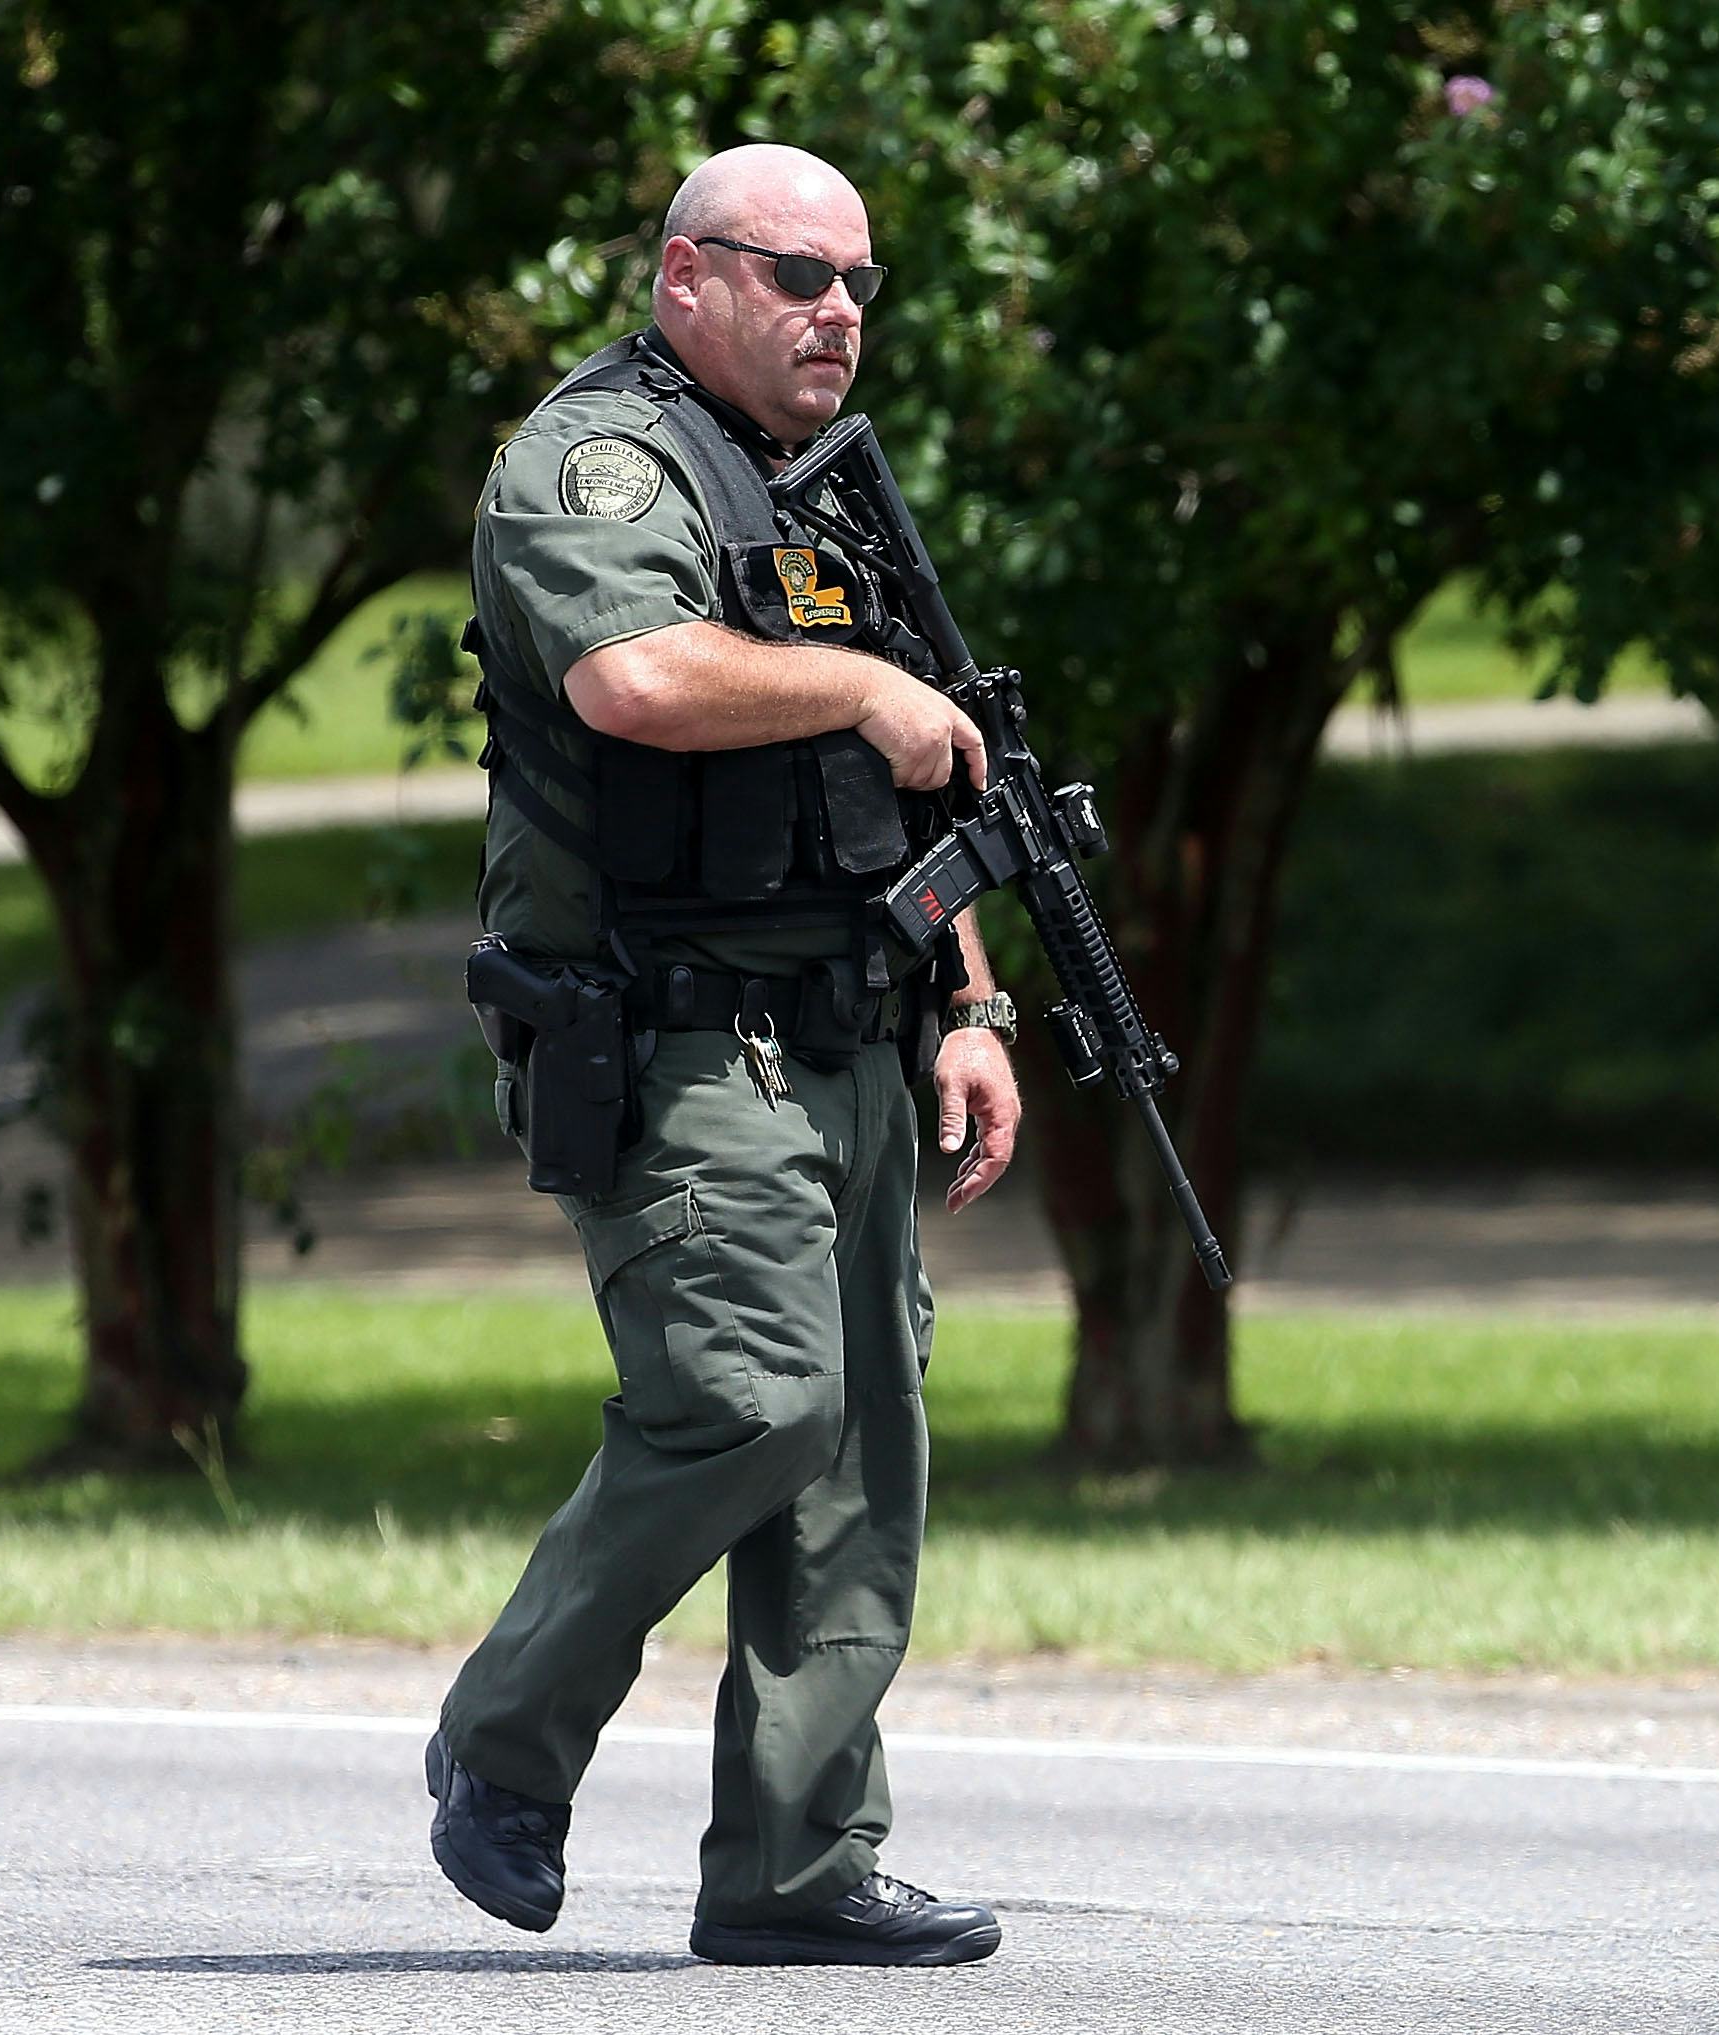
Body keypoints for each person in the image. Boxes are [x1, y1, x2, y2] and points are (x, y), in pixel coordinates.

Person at [424, 143, 1019, 1969]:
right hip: (684, 1040)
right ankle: (503, 1743)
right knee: (751, 1407)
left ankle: (796, 1865)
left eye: (857, 285)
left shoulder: (823, 495)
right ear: (689, 276)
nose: (837, 313)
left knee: (858, 1450)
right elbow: (638, 684)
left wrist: (974, 1003)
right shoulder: (595, 463)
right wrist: (857, 685)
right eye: (796, 276)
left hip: (849, 1032)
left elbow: (915, 787)